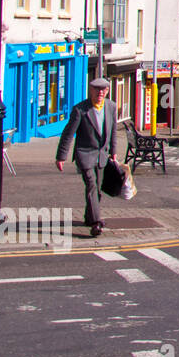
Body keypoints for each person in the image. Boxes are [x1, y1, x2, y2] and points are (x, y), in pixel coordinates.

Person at [55, 78, 119, 238]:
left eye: (103, 90)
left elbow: (113, 131)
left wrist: (114, 152)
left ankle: (88, 217)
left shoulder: (111, 106)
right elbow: (68, 134)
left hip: (102, 155)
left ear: (107, 91)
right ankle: (96, 222)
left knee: (98, 189)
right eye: (97, 90)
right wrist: (61, 156)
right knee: (91, 185)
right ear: (91, 91)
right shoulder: (80, 109)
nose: (100, 93)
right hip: (84, 154)